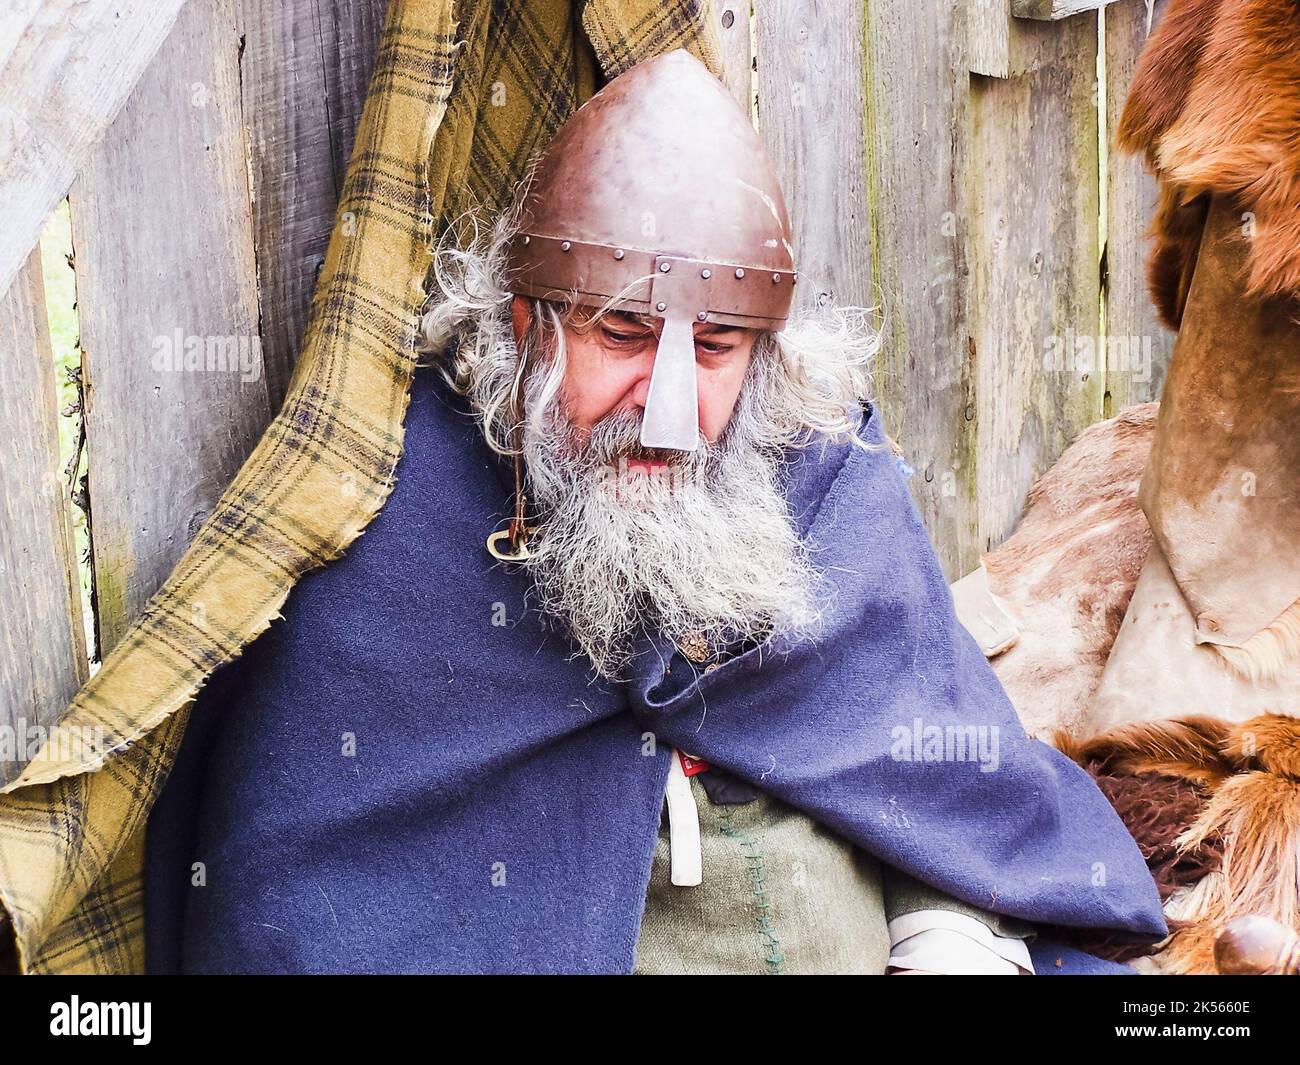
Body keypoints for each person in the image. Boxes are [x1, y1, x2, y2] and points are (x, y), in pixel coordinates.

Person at [142, 50, 1165, 975]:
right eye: (622, 333)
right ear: (526, 326)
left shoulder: (822, 477)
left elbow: (934, 779)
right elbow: (304, 895)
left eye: (716, 348)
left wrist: (950, 940)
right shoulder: (390, 511)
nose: (669, 416)